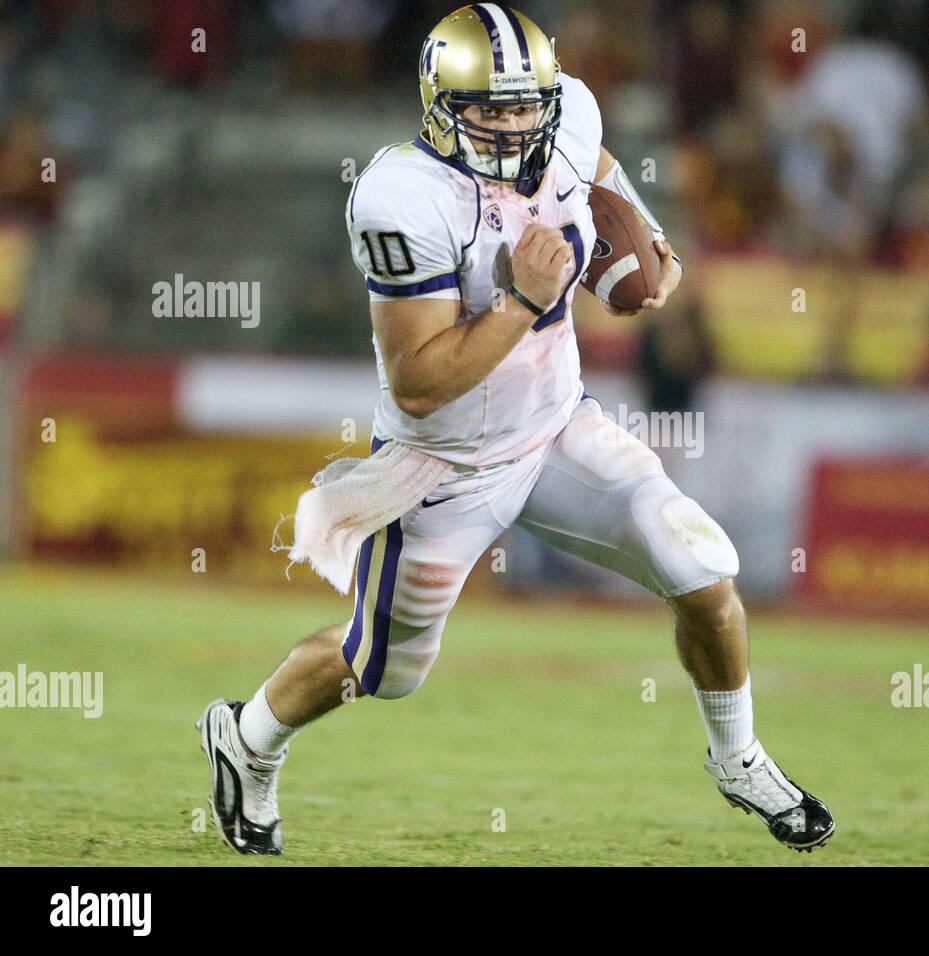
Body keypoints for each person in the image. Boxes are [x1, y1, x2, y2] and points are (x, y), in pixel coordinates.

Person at [198, 3, 832, 856]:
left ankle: (739, 757)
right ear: (438, 104)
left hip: (555, 428)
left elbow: (599, 172)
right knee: (380, 669)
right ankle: (246, 739)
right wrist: (525, 301)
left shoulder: (566, 112)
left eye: (524, 105)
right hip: (445, 463)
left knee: (706, 570)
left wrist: (643, 245)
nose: (512, 124)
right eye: (488, 109)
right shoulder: (401, 195)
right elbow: (419, 383)